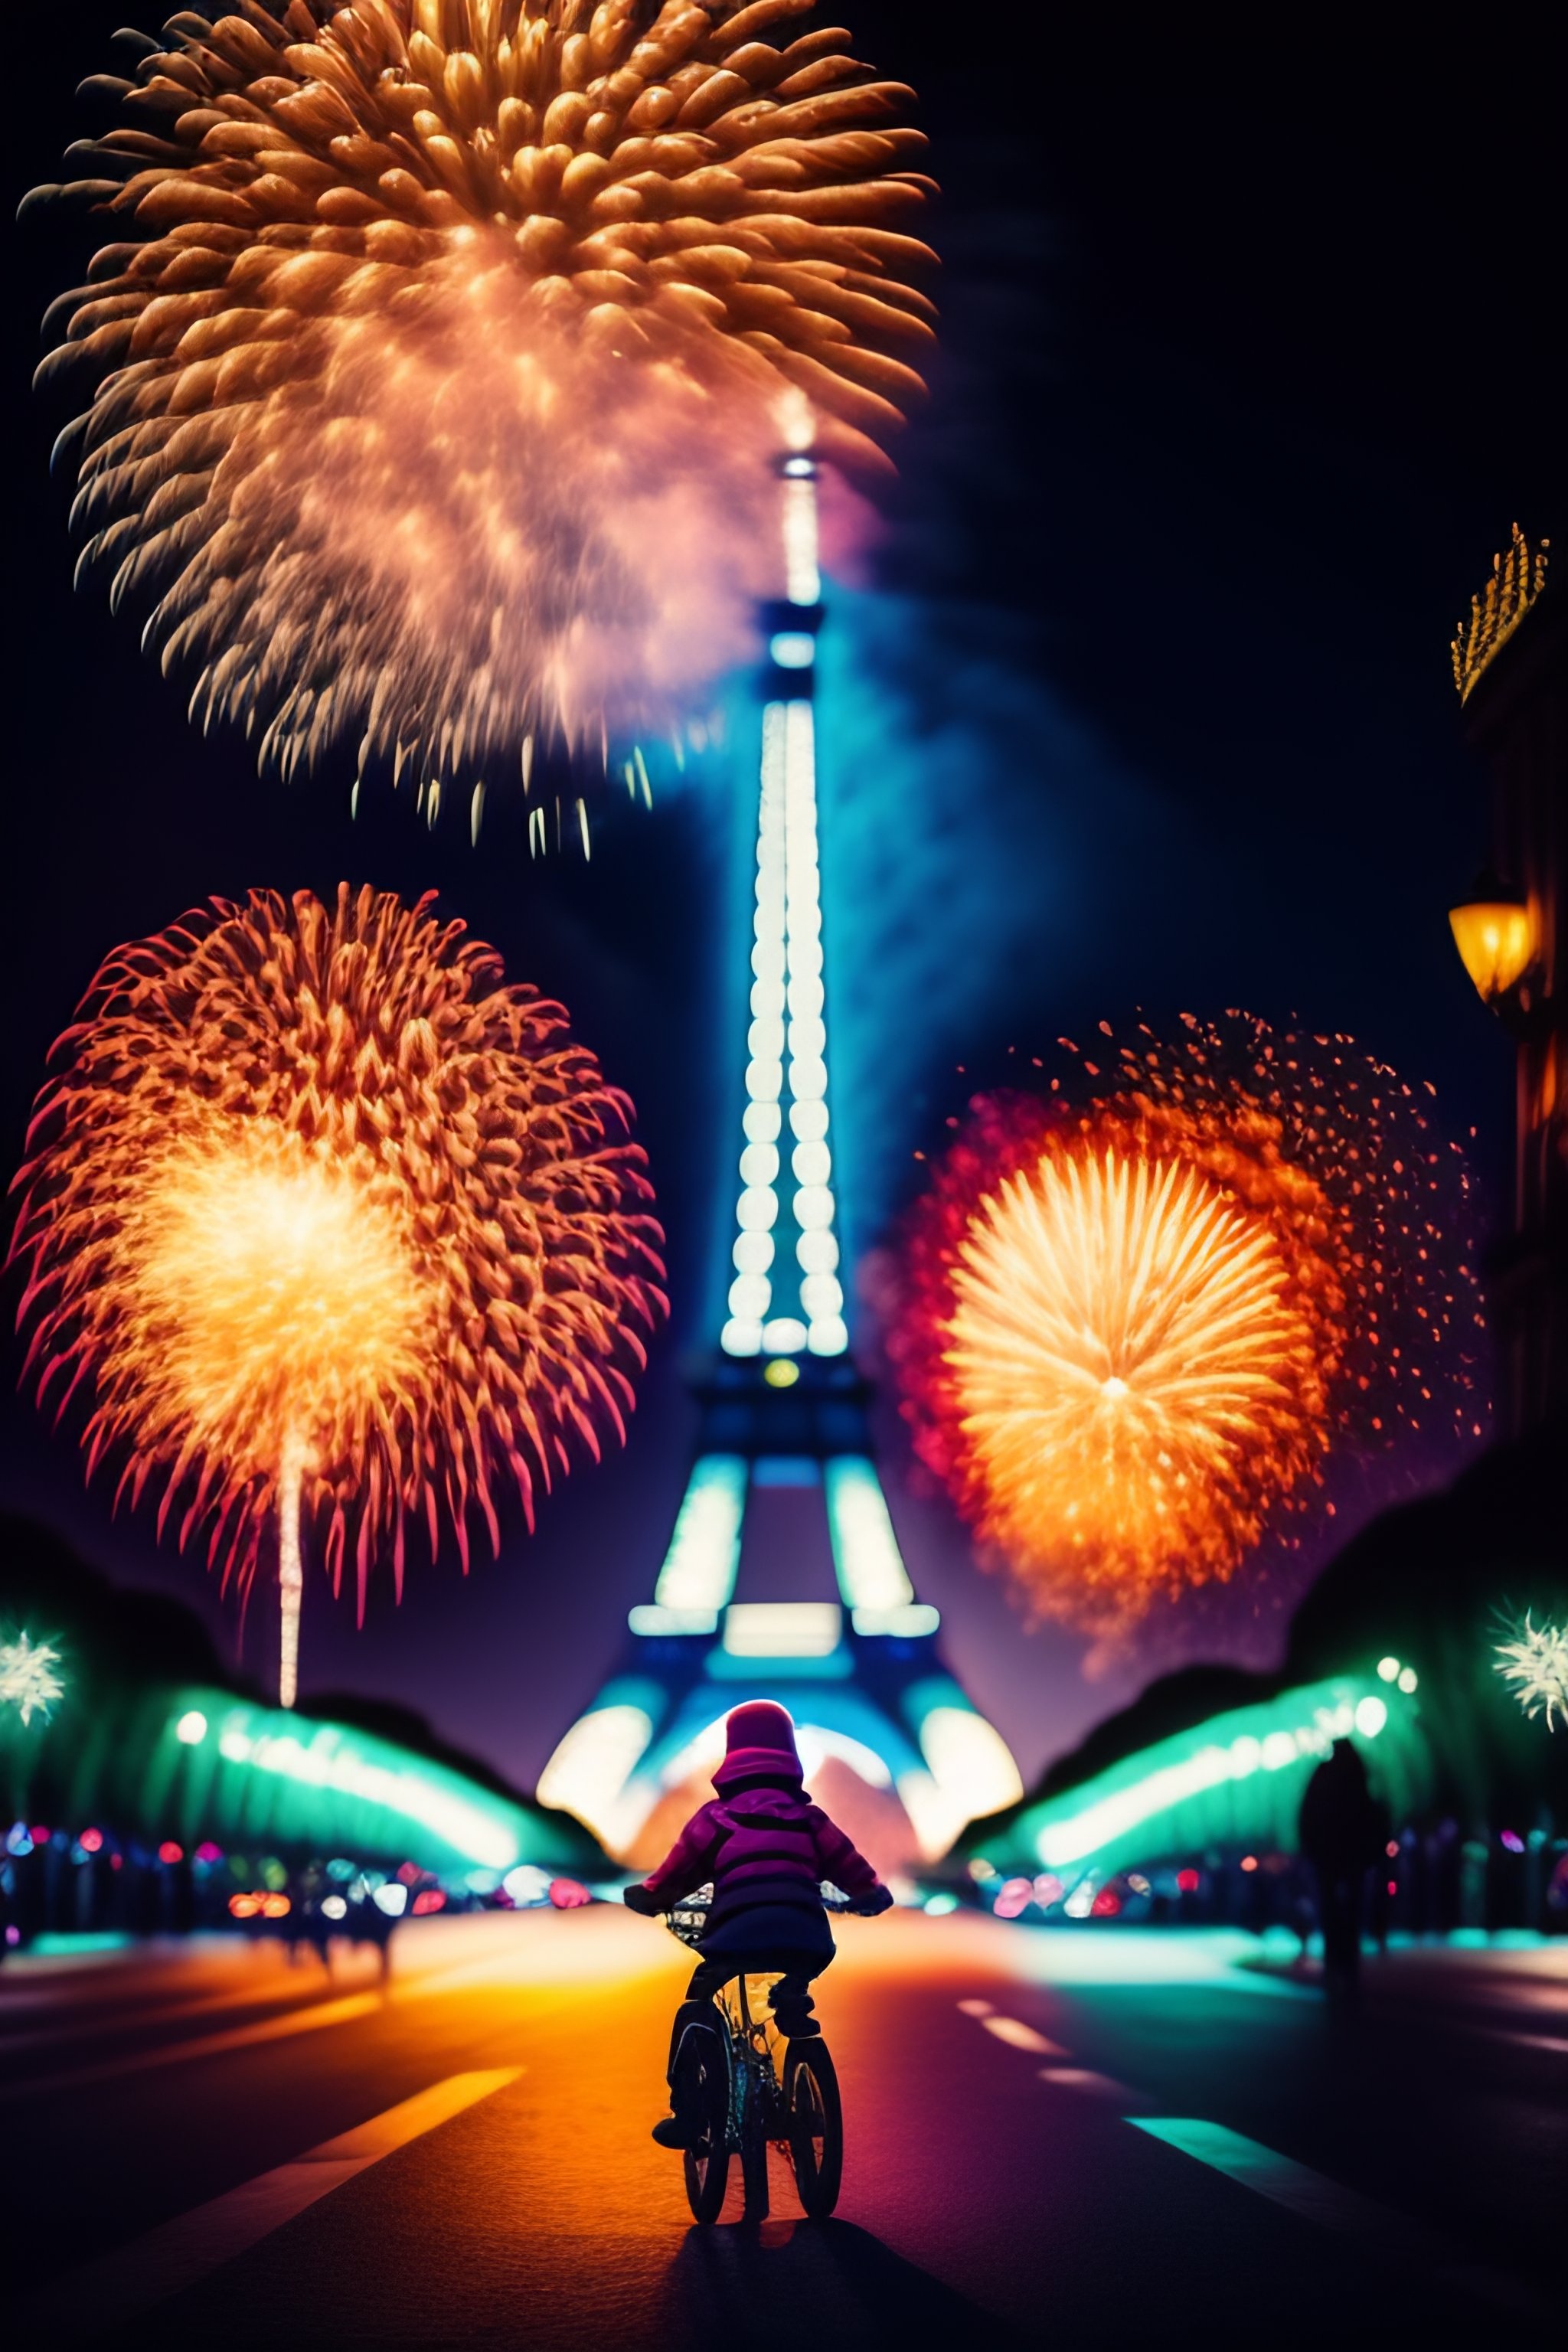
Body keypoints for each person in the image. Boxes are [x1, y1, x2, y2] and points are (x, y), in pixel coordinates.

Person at [623, 1700, 893, 2148]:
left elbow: (674, 1875)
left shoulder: (715, 1819)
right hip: (805, 1940)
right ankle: (792, 1999)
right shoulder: (810, 1820)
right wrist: (869, 1895)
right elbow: (853, 1869)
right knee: (799, 1965)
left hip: (734, 1937)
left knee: (697, 2004)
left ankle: (688, 2115)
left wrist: (650, 1897)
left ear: (731, 1755)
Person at [1298, 1738, 1380, 1998]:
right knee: (1352, 1910)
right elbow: (1372, 1814)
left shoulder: (1323, 1775)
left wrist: (1311, 1850)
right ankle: (1349, 1965)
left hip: (1327, 1856)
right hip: (1351, 1856)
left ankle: (1335, 1963)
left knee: (1331, 1910)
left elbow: (1307, 1814)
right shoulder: (1359, 1775)